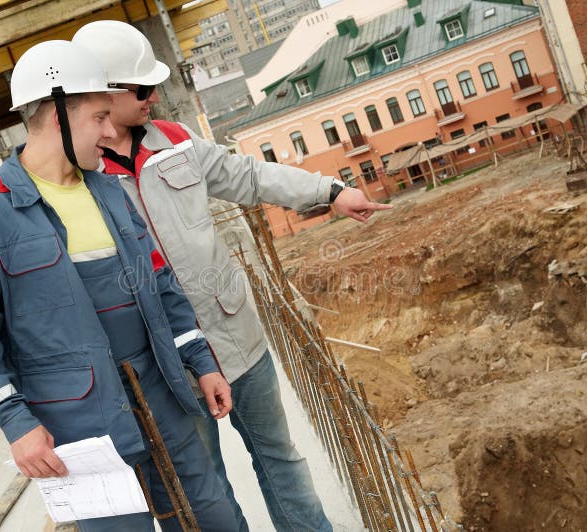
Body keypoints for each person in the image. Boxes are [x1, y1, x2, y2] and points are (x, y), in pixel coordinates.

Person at [73, 21, 392, 532]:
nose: (155, 96)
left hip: (236, 337)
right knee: (208, 488)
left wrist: (331, 191)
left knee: (280, 459)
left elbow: (249, 176)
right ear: (102, 94)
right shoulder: (80, 178)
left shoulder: (176, 141)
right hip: (168, 362)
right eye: (141, 88)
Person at [0, 39, 240, 531]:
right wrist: (18, 426)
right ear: (60, 114)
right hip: (76, 430)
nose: (110, 130)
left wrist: (201, 361)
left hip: (161, 395)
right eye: (99, 117)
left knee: (214, 519)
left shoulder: (108, 192)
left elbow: (161, 286)